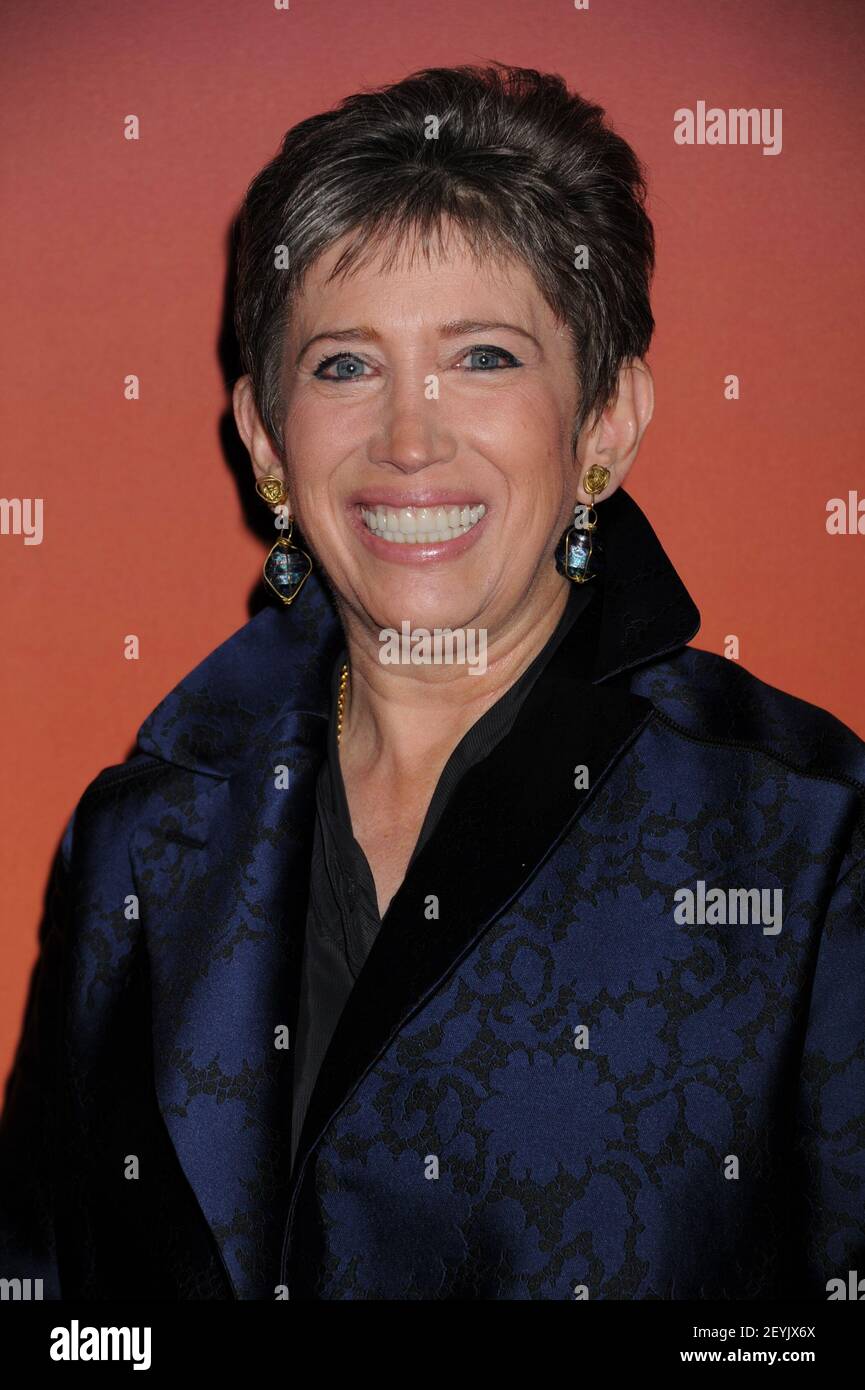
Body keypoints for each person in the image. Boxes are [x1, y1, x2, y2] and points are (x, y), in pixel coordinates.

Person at [1, 63, 863, 1301]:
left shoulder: (805, 837)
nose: (410, 438)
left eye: (484, 357)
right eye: (346, 366)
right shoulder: (138, 836)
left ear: (606, 424)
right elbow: (47, 1297)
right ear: (263, 442)